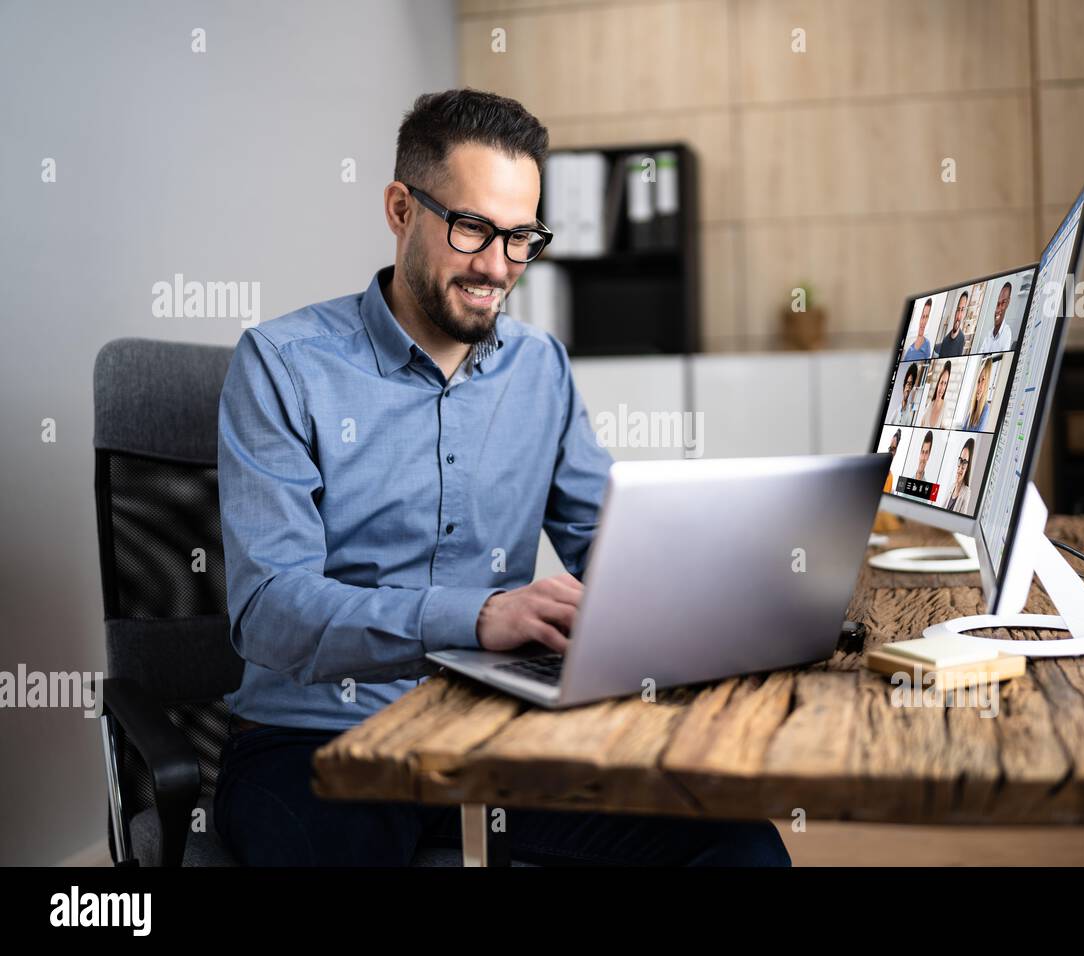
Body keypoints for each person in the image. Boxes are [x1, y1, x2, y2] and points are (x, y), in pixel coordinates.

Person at [213, 89, 789, 867]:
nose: (497, 267)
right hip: (319, 745)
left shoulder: (539, 366)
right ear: (399, 208)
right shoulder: (283, 366)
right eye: (473, 228)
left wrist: (747, 585)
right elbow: (268, 611)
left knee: (737, 849)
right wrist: (476, 616)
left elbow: (615, 548)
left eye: (522, 238)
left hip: (496, 739)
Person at [979, 281, 1014, 352]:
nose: (998, 310)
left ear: (1008, 302)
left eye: (1003, 303)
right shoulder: (989, 333)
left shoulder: (1007, 332)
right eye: (998, 303)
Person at [963, 357, 994, 431]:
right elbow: (964, 428)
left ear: (987, 383)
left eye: (983, 380)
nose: (979, 386)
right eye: (978, 381)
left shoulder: (985, 409)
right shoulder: (973, 406)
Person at [945, 438, 975, 513]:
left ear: (968, 467)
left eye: (964, 462)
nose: (960, 467)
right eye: (960, 460)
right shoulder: (952, 486)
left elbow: (961, 521)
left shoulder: (966, 493)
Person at [920, 360, 951, 428]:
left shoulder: (945, 407)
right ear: (938, 383)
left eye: (945, 383)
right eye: (941, 382)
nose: (942, 387)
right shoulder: (930, 404)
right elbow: (921, 424)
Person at [937, 291, 967, 358]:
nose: (959, 315)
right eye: (958, 309)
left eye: (962, 310)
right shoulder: (945, 339)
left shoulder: (961, 339)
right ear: (955, 311)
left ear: (964, 314)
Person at [883, 429, 902, 493]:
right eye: (890, 448)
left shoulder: (891, 477)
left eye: (893, 449)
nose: (890, 452)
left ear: (896, 452)